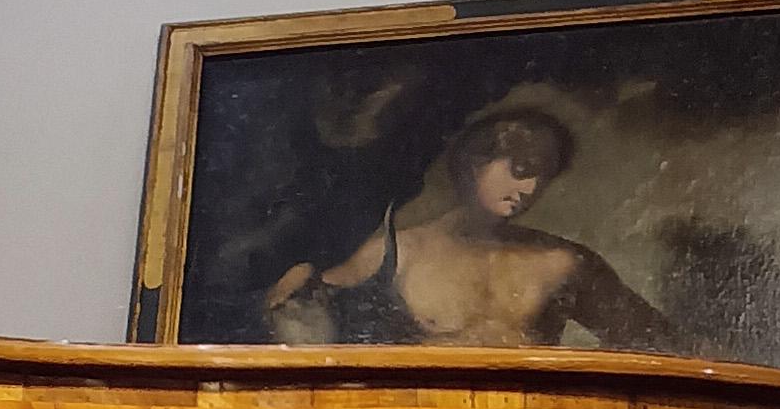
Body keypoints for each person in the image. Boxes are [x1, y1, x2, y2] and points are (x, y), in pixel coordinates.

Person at [264, 90, 670, 348]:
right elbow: (312, 309)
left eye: (542, 175)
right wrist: (297, 286)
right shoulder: (402, 250)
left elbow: (650, 337)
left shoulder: (559, 261)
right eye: (520, 167)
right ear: (474, 163)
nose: (529, 188)